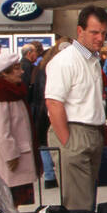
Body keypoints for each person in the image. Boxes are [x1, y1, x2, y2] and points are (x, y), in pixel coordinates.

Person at [44, 6, 107, 211]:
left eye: (103, 33)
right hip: (74, 131)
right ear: (80, 31)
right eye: (94, 32)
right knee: (78, 205)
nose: (100, 38)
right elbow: (54, 103)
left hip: (92, 131)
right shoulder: (65, 61)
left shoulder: (93, 60)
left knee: (87, 200)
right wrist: (67, 143)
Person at [0, 49, 37, 207]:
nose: (21, 72)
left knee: (14, 205)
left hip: (20, 156)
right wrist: (11, 155)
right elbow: (1, 130)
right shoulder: (0, 94)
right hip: (12, 160)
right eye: (16, 68)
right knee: (8, 204)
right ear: (5, 73)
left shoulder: (15, 92)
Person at [31, 38, 71, 189]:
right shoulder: (55, 66)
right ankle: (51, 174)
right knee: (52, 142)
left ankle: (49, 175)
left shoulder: (43, 66)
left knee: (45, 143)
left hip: (42, 109)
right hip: (50, 108)